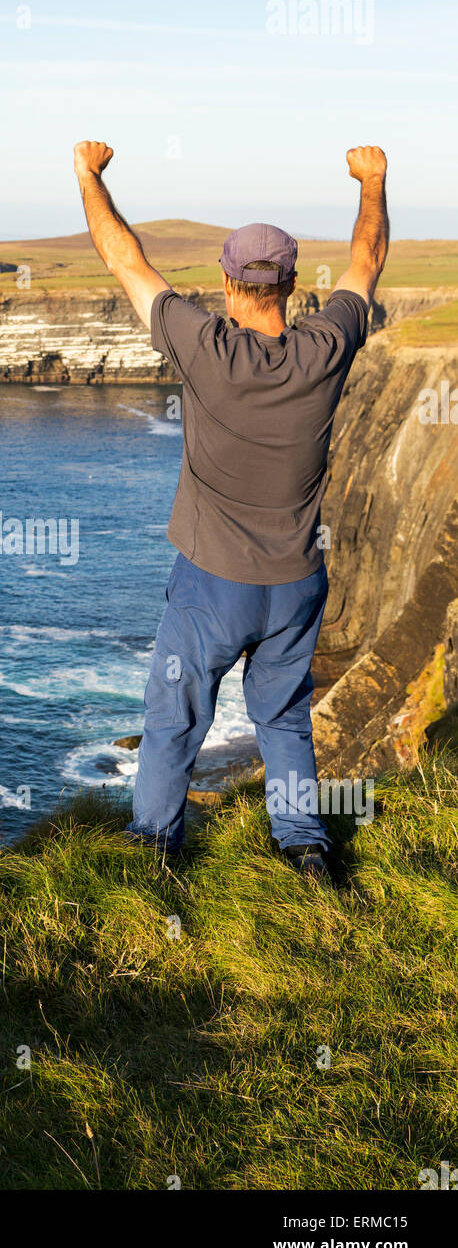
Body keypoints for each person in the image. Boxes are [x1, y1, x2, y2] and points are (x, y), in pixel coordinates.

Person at [74, 140, 389, 877]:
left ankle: (156, 850)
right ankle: (306, 849)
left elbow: (125, 259)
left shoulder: (204, 347)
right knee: (282, 717)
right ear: (290, 284)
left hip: (212, 585)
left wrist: (89, 175)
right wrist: (373, 180)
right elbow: (367, 261)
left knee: (176, 716)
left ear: (225, 281)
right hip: (296, 584)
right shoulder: (326, 347)